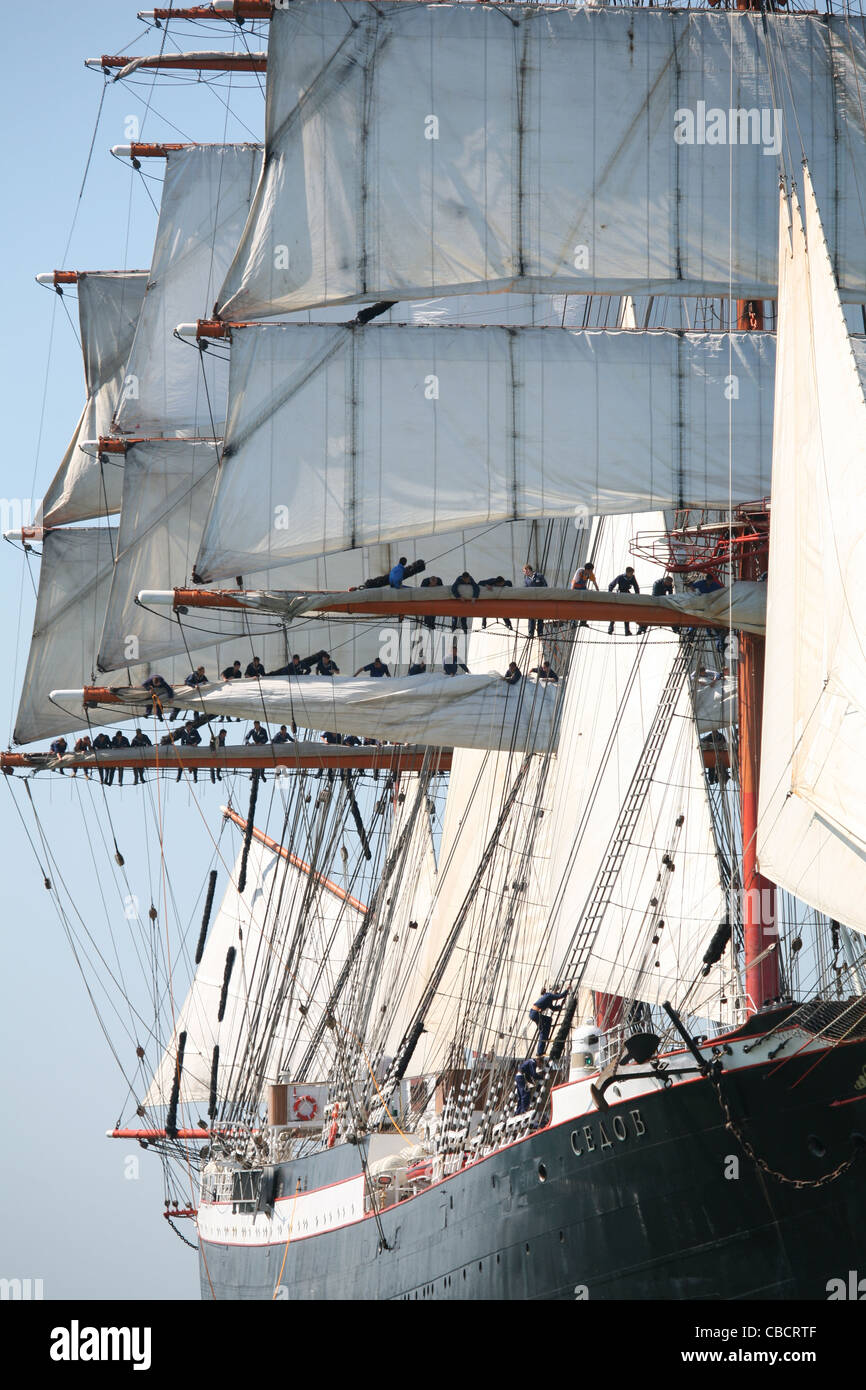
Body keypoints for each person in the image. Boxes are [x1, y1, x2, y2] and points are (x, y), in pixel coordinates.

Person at [529, 986, 569, 1057]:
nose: (555, 995)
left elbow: (553, 1008)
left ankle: (545, 1038)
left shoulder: (548, 1000)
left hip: (534, 1013)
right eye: (555, 993)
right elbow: (560, 996)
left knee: (548, 1020)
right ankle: (540, 1052)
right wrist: (567, 989)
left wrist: (561, 1005)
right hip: (535, 1013)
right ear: (553, 992)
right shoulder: (549, 995)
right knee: (542, 1031)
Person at [607, 566, 640, 635]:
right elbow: (611, 585)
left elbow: (636, 587)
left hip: (627, 595)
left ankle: (627, 630)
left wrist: (637, 596)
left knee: (627, 612)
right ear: (627, 572)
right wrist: (610, 593)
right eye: (631, 573)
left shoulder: (632, 578)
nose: (632, 574)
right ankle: (610, 628)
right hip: (620, 594)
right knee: (615, 612)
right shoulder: (620, 577)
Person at [523, 564, 548, 638]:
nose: (524, 573)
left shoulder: (539, 576)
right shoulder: (526, 580)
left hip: (540, 600)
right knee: (531, 617)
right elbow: (525, 589)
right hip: (532, 601)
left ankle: (540, 632)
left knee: (540, 616)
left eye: (524, 571)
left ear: (528, 569)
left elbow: (545, 586)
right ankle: (531, 633)